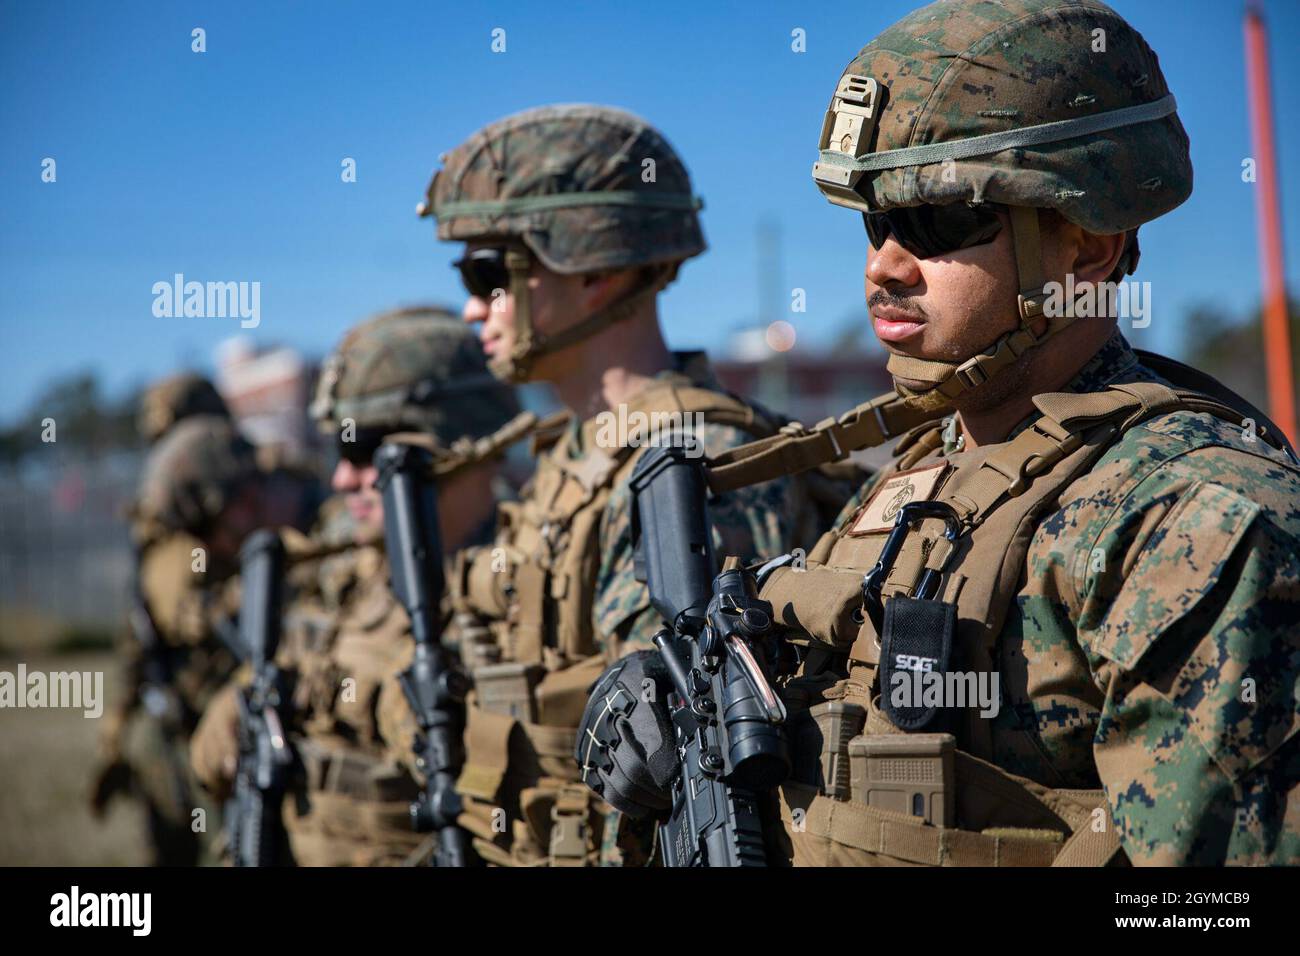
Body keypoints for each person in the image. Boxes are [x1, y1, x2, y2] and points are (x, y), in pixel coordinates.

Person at [577, 0, 1300, 866]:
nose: (884, 263)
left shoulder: (1198, 520)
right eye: (877, 221)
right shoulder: (917, 476)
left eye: (940, 220)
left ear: (1086, 247)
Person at [424, 104, 833, 865]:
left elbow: (687, 776)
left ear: (596, 267)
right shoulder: (571, 457)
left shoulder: (696, 463)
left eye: (490, 272)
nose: (472, 307)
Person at [189, 306, 523, 865]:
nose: (343, 478)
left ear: (453, 441)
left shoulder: (522, 582)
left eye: (364, 451)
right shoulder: (346, 569)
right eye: (338, 452)